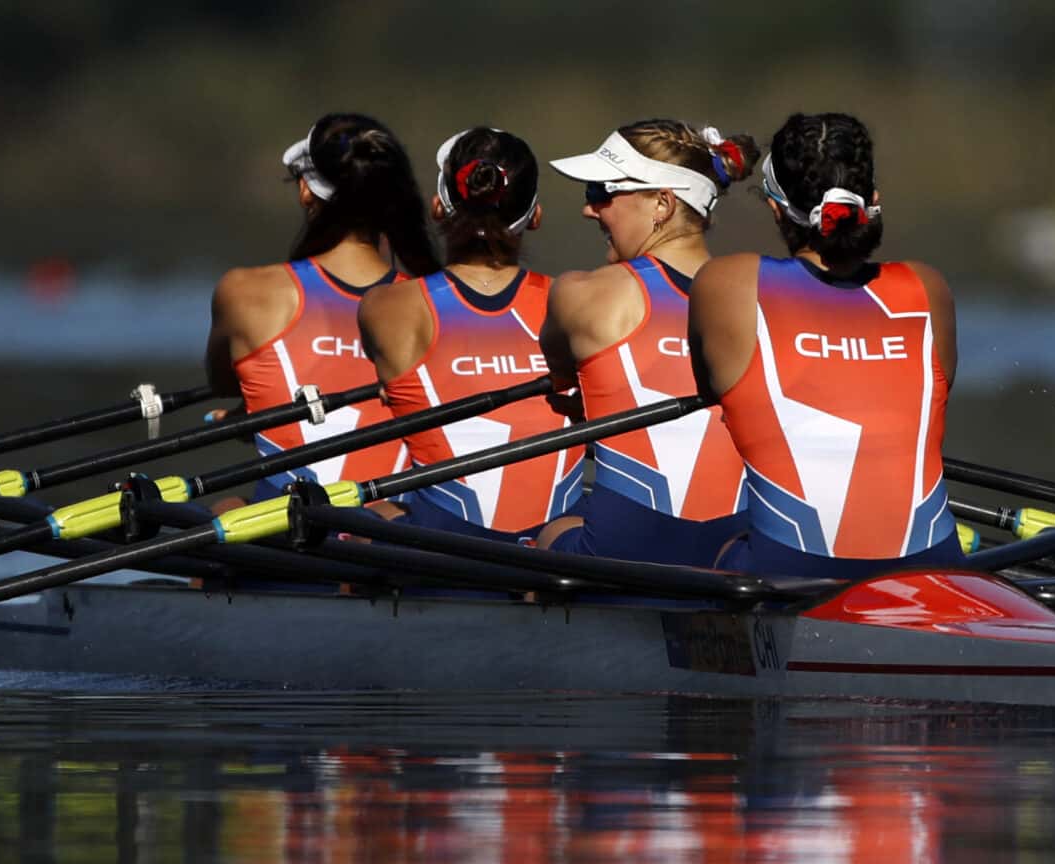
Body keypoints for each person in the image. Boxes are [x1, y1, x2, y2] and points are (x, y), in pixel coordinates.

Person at [687, 111, 963, 578]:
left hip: (786, 572)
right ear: (872, 200)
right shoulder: (927, 286)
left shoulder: (726, 283)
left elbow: (709, 388)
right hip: (932, 569)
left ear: (776, 208)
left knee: (724, 547)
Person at [534, 119, 759, 565]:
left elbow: (562, 383)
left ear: (662, 203)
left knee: (551, 531)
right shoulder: (764, 299)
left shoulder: (579, 294)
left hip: (621, 554)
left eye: (602, 193)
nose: (589, 210)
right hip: (736, 548)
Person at [356, 127, 581, 542]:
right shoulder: (577, 303)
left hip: (441, 549)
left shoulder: (385, 307)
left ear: (439, 206)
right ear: (535, 216)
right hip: (556, 549)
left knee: (376, 514)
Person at [204, 114, 439, 502]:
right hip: (393, 527)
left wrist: (261, 410)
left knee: (227, 506)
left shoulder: (244, 292)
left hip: (289, 526)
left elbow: (224, 383)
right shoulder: (435, 305)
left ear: (306, 192)